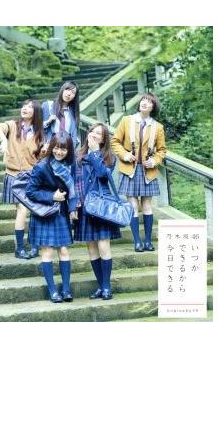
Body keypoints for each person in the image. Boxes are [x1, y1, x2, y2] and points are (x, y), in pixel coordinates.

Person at [26, 131, 79, 303]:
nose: (59, 152)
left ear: (68, 151)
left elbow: (73, 190)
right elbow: (30, 192)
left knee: (63, 250)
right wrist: (51, 196)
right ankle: (52, 291)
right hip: (45, 213)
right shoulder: (42, 166)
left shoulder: (70, 166)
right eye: (56, 148)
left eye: (63, 149)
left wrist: (72, 208)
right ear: (51, 148)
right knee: (47, 251)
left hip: (60, 212)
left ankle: (66, 289)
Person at [111, 93, 166, 252]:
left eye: (149, 102)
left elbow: (162, 150)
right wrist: (125, 155)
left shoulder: (157, 127)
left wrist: (154, 160)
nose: (145, 103)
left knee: (147, 205)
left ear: (153, 107)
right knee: (133, 205)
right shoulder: (126, 120)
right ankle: (137, 242)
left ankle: (148, 241)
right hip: (129, 169)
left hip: (148, 171)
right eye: (143, 100)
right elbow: (115, 141)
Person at [0, 99, 44, 259]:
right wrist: (4, 140)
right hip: (13, 175)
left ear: (36, 112)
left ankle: (34, 246)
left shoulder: (39, 133)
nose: (25, 108)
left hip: (32, 176)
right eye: (24, 106)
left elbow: (41, 157)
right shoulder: (12, 125)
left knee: (34, 210)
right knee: (22, 209)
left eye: (30, 107)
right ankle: (19, 248)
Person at [74, 123, 121, 300]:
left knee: (103, 245)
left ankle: (107, 287)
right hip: (84, 206)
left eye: (98, 134)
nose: (94, 135)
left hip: (101, 206)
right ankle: (101, 286)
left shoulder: (109, 158)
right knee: (92, 248)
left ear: (103, 139)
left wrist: (94, 153)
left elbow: (102, 174)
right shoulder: (78, 156)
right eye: (92, 131)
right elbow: (73, 181)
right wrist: (74, 204)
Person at [42, 81, 80, 149]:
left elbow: (74, 135)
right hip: (49, 146)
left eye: (72, 92)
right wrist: (48, 122)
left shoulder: (73, 113)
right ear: (62, 89)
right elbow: (36, 127)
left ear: (74, 97)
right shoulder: (48, 106)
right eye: (67, 89)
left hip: (66, 148)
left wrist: (72, 149)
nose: (69, 94)